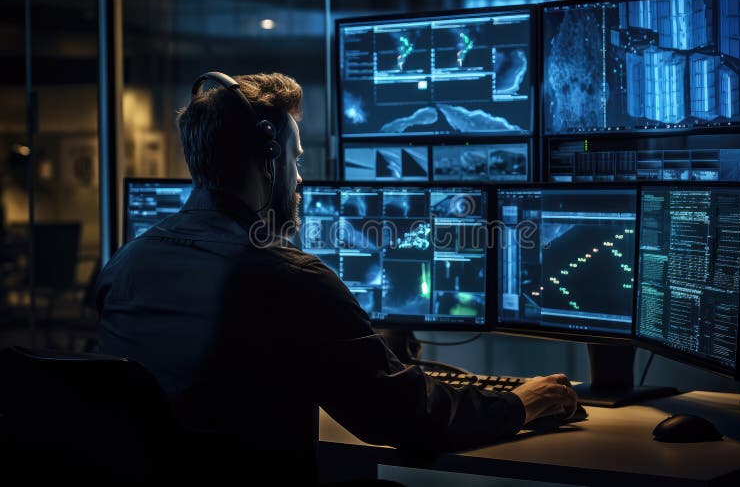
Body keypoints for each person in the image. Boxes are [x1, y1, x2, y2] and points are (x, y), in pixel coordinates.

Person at [95, 71, 578, 485]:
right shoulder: (289, 278)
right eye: (296, 158)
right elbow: (404, 416)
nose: (300, 178)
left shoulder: (126, 263)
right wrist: (521, 403)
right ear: (268, 159)